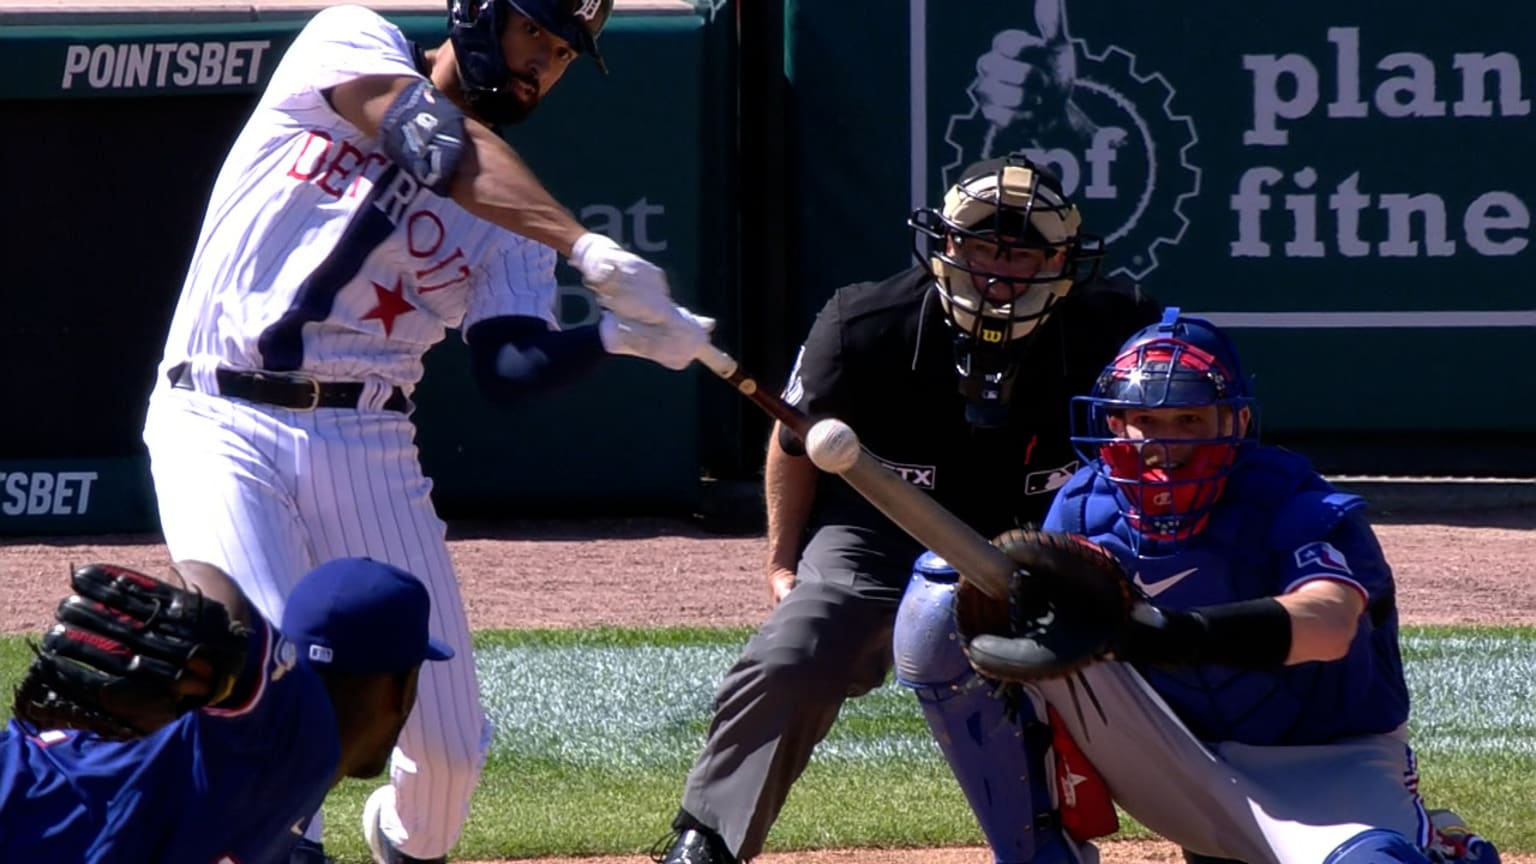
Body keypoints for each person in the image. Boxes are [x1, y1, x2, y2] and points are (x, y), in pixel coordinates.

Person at [140, 1, 713, 862]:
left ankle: (404, 847)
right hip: (215, 413)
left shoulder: (512, 226)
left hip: (366, 441)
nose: (543, 66)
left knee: (448, 750)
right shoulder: (348, 38)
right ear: (479, 12)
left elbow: (508, 367)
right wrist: (589, 248)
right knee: (266, 694)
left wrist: (615, 339)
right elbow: (435, 141)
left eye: (563, 54)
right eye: (535, 35)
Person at [654, 156, 1162, 863]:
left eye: (1022, 253)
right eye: (983, 246)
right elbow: (793, 443)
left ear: (1062, 262)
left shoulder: (1121, 331)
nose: (999, 270)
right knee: (795, 653)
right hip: (880, 536)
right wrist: (779, 564)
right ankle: (707, 839)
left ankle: (1214, 831)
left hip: (1052, 545)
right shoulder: (862, 325)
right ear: (947, 245)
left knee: (1172, 644)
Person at [892, 310, 1501, 864]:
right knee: (947, 594)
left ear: (1233, 421)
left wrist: (1169, 634)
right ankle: (1039, 855)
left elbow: (1330, 621)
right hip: (1169, 748)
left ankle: (1443, 851)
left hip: (1324, 762)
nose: (1163, 442)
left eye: (1188, 419)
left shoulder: (1294, 498)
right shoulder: (1082, 509)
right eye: (1144, 420)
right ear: (1113, 423)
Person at [0, 556, 452, 864]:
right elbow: (208, 583)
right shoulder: (302, 723)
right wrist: (210, 635)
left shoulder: (278, 771)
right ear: (401, 690)